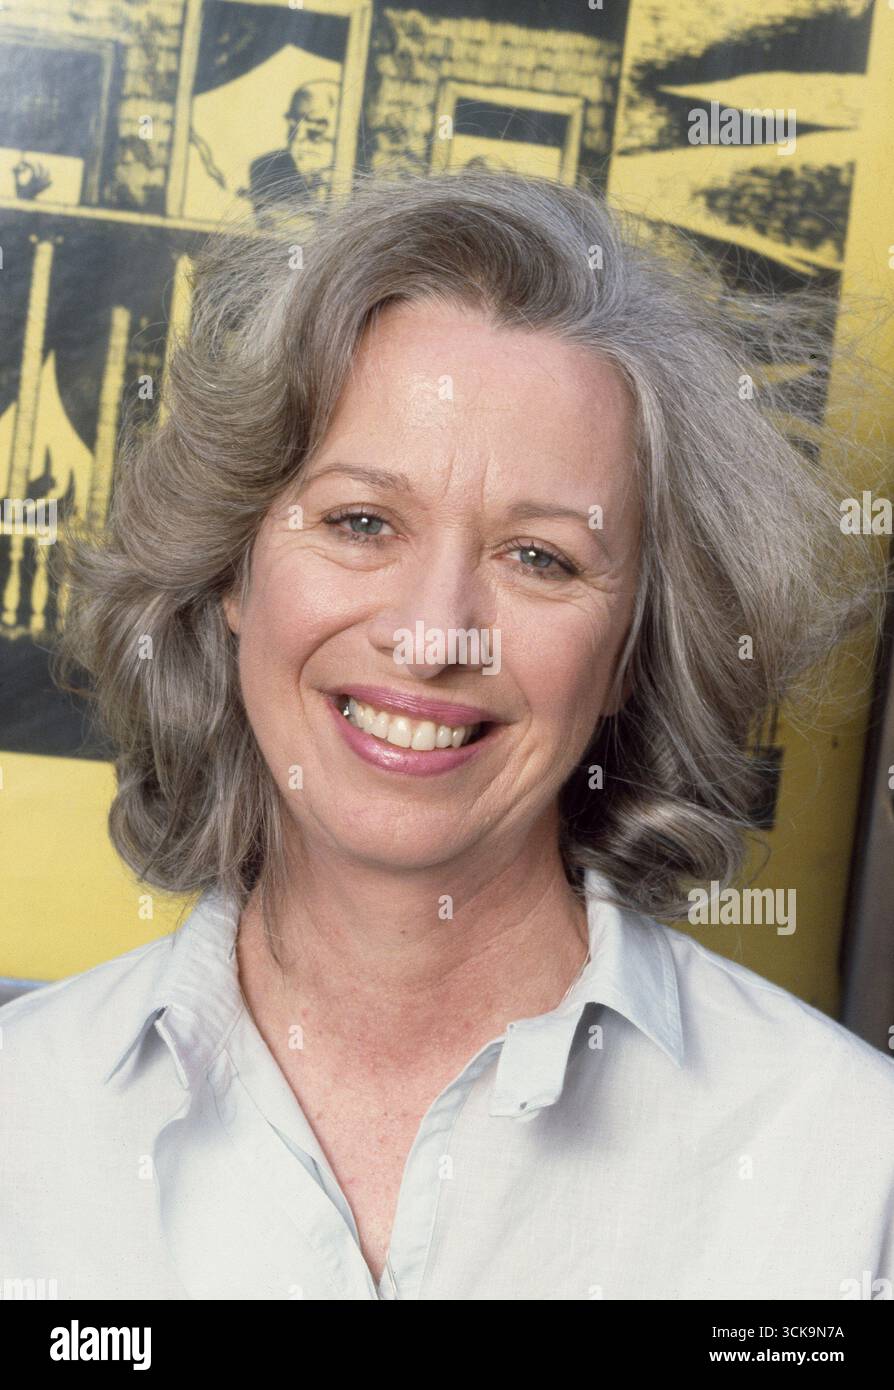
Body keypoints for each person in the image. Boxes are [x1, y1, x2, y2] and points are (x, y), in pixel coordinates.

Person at [2, 170, 892, 1301]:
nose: (431, 637)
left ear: (633, 647)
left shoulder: (850, 1171)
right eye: (361, 521)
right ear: (234, 569)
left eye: (540, 558)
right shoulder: (22, 1122)